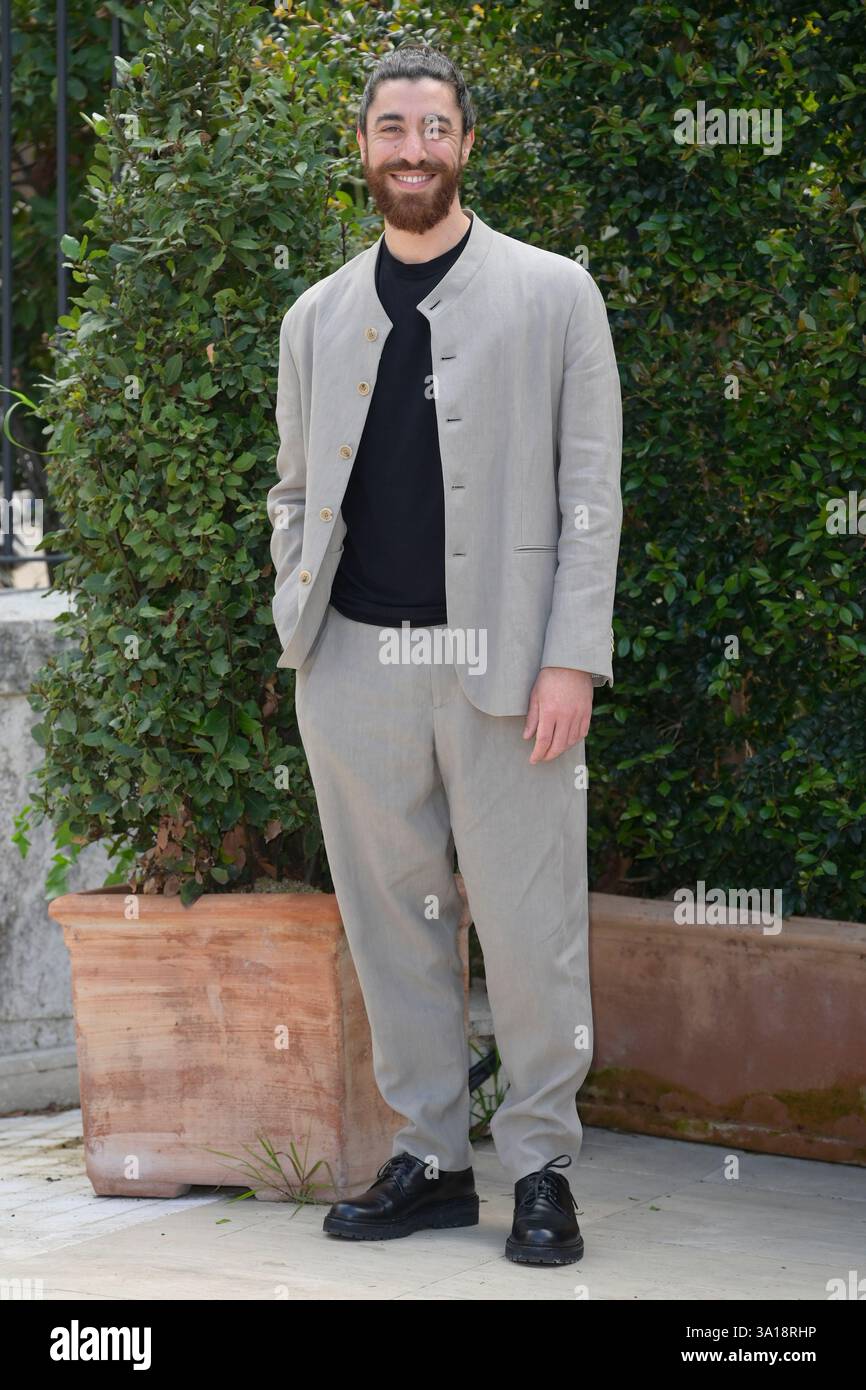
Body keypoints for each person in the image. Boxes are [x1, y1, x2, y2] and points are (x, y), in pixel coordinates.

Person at [266, 44, 622, 1267]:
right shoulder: (316, 314)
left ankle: (541, 1166)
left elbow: (591, 492)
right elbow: (294, 490)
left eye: (432, 127)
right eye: (388, 129)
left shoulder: (553, 293)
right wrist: (298, 631)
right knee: (391, 925)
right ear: (360, 149)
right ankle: (428, 1155)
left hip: (511, 669)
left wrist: (572, 656)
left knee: (530, 928)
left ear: (465, 143)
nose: (410, 149)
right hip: (352, 665)